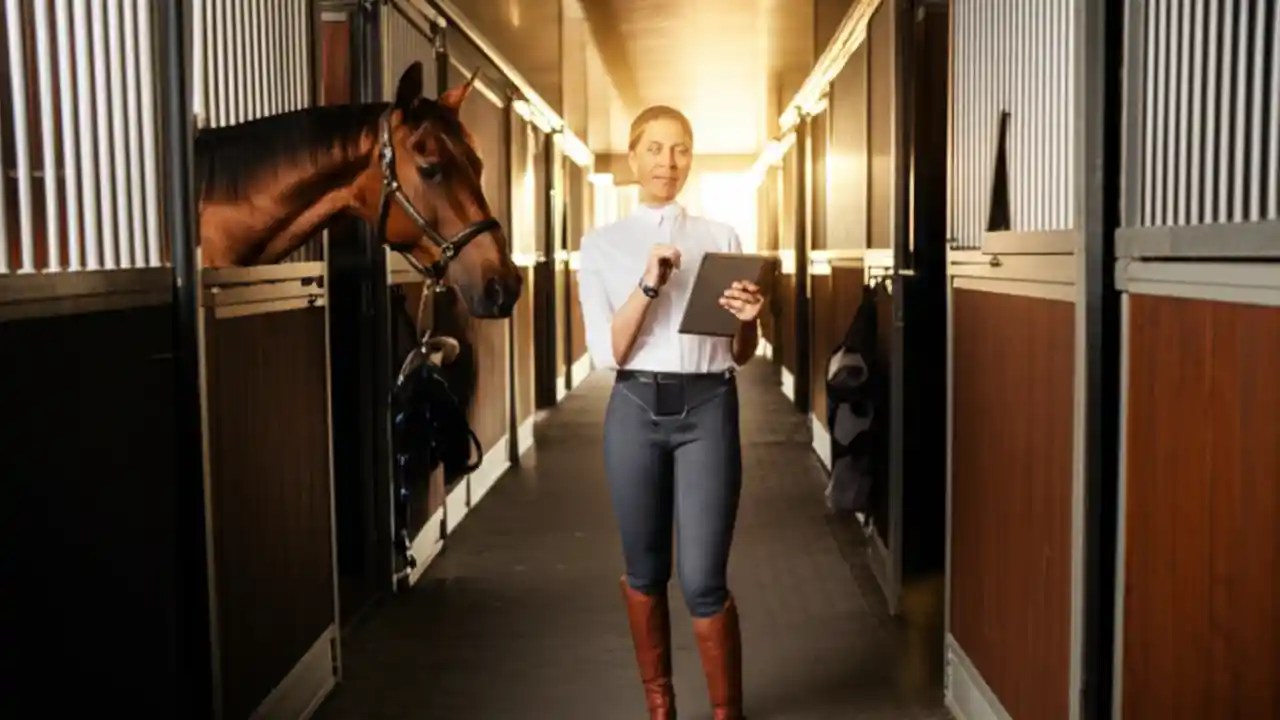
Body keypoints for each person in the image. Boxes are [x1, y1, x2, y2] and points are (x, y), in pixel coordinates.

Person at [576, 104, 764, 720]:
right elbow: (610, 352)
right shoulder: (601, 246)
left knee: (705, 578)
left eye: (680, 149)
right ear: (632, 157)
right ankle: (662, 707)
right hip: (634, 407)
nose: (668, 162)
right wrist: (649, 282)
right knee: (645, 569)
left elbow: (741, 355)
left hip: (709, 408)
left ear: (691, 157)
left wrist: (750, 321)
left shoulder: (722, 236)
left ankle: (725, 712)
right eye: (654, 149)